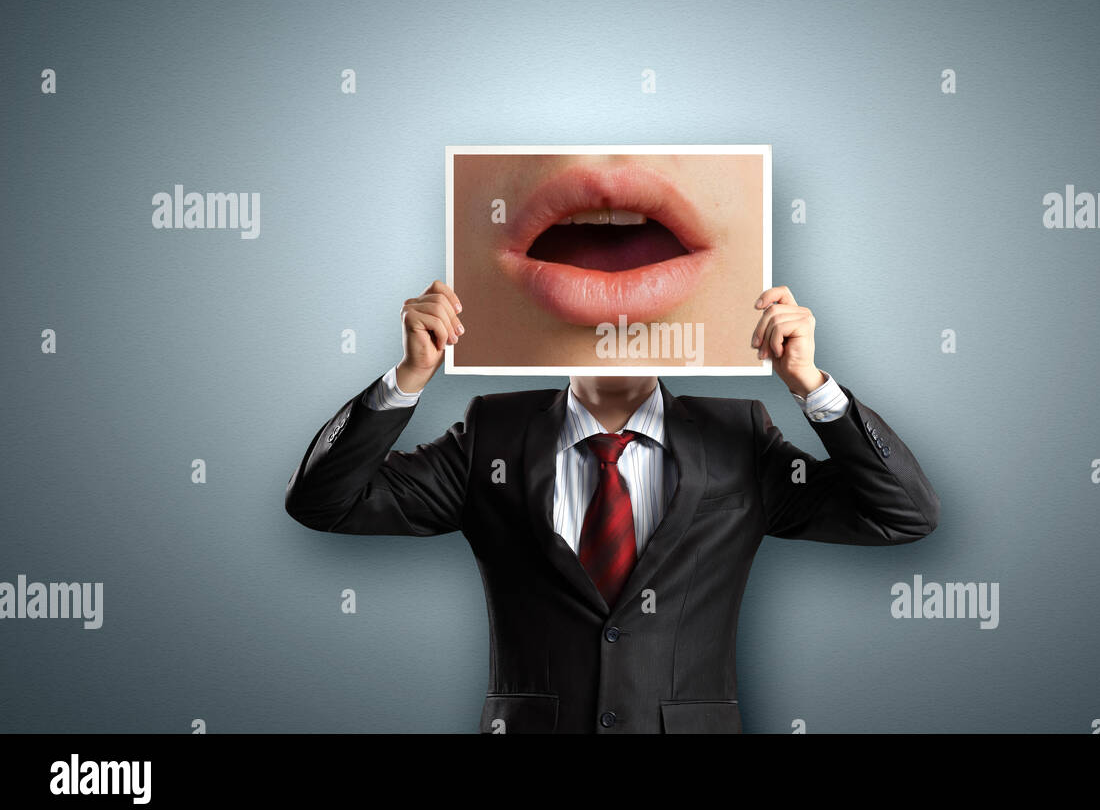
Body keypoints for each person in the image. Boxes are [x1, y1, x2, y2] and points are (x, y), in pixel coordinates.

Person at [284, 280, 941, 733]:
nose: (617, 321)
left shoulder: (737, 437)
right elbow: (326, 502)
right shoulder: (493, 432)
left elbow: (902, 513)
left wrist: (812, 386)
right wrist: (408, 378)